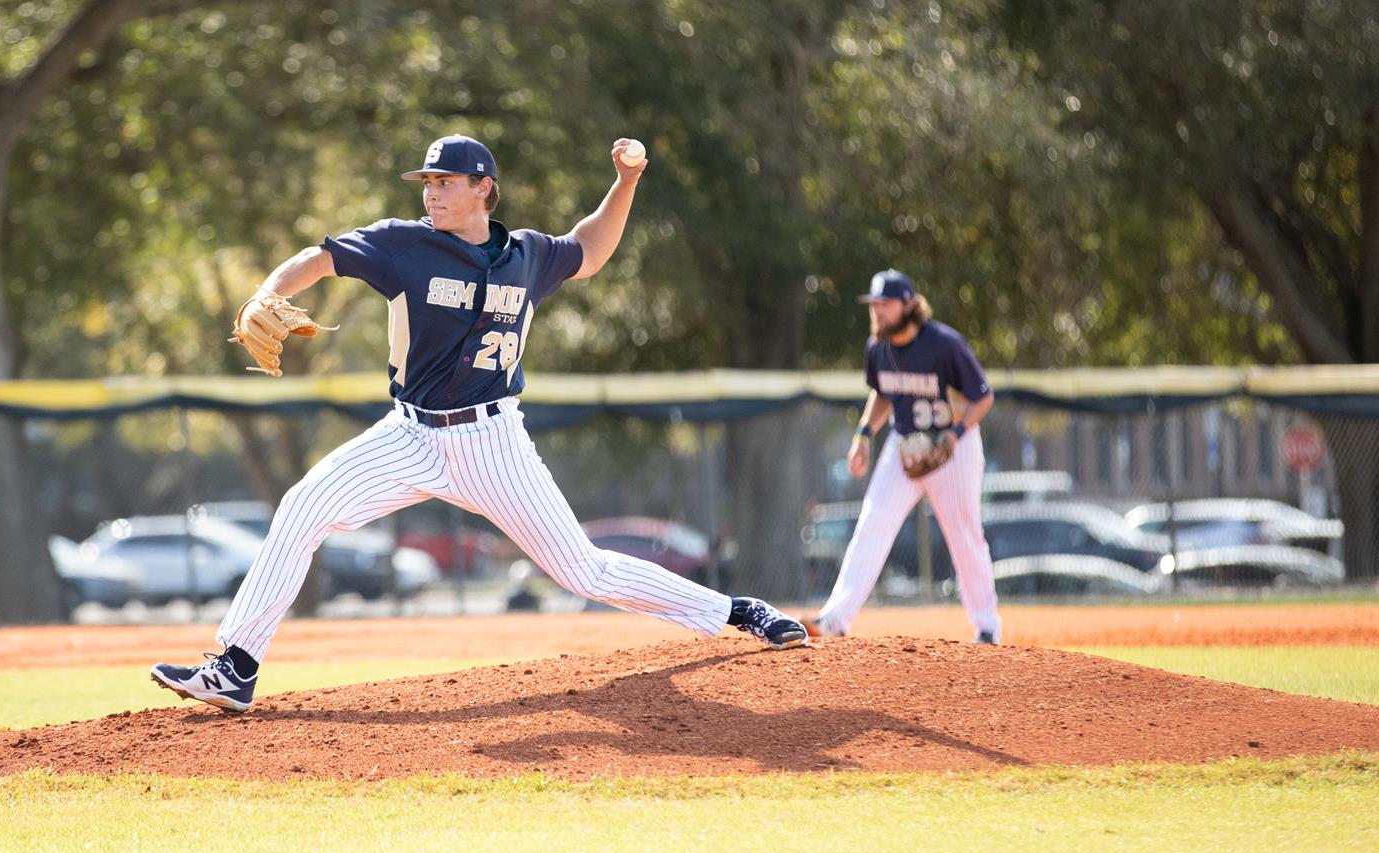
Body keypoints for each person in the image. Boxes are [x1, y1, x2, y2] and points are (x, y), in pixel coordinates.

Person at [152, 134, 807, 712]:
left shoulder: (527, 255)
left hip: (493, 441)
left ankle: (735, 610)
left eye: (446, 181)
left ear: (483, 188)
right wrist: (269, 292)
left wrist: (627, 181)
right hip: (409, 435)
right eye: (428, 181)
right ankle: (236, 666)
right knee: (302, 507)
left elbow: (590, 248)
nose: (432, 192)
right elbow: (319, 257)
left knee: (584, 571)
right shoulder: (404, 245)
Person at [811, 269, 1002, 644]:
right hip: (903, 443)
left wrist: (955, 434)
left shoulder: (944, 345)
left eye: (886, 303)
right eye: (874, 304)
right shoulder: (877, 347)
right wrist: (864, 434)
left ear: (909, 305)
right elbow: (883, 393)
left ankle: (986, 626)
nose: (878, 311)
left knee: (964, 536)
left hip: (952, 448)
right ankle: (835, 619)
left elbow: (983, 398)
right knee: (872, 523)